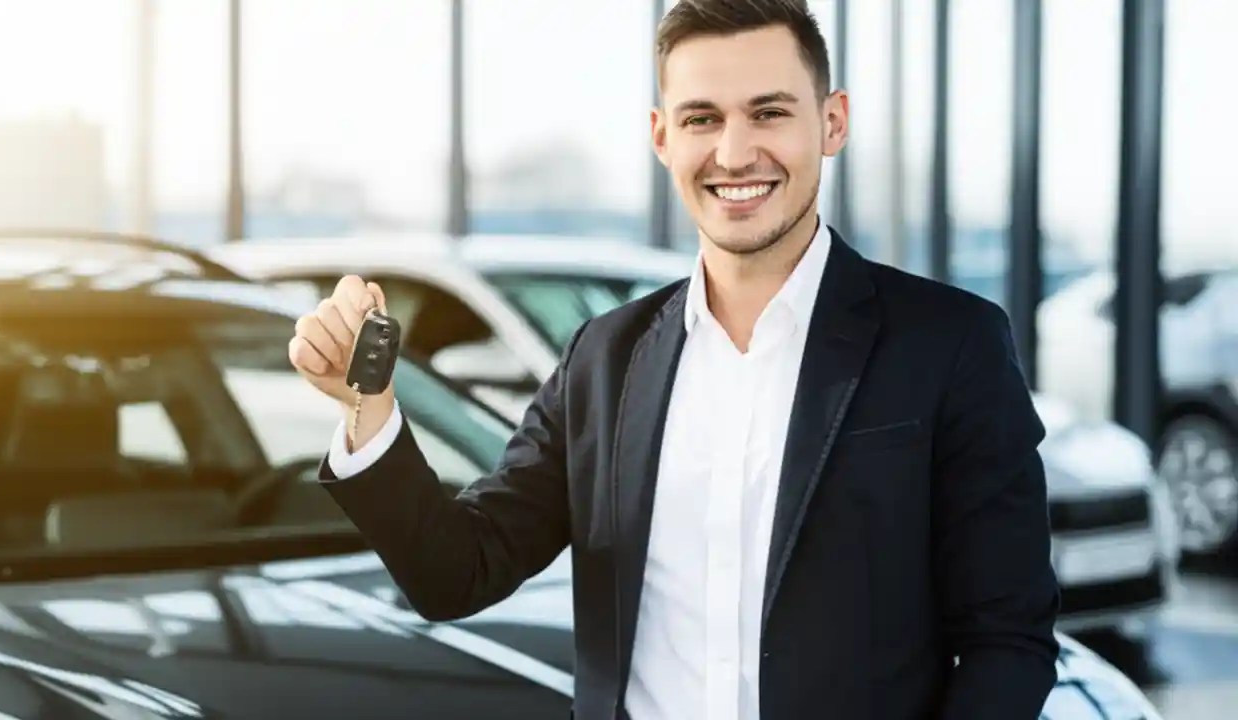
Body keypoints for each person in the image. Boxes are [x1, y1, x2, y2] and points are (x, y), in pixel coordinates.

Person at [289, 0, 1060, 718]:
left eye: (769, 112)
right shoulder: (605, 359)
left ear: (832, 122)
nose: (735, 152)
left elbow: (1008, 642)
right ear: (663, 138)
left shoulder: (949, 344)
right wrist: (368, 406)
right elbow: (457, 572)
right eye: (702, 118)